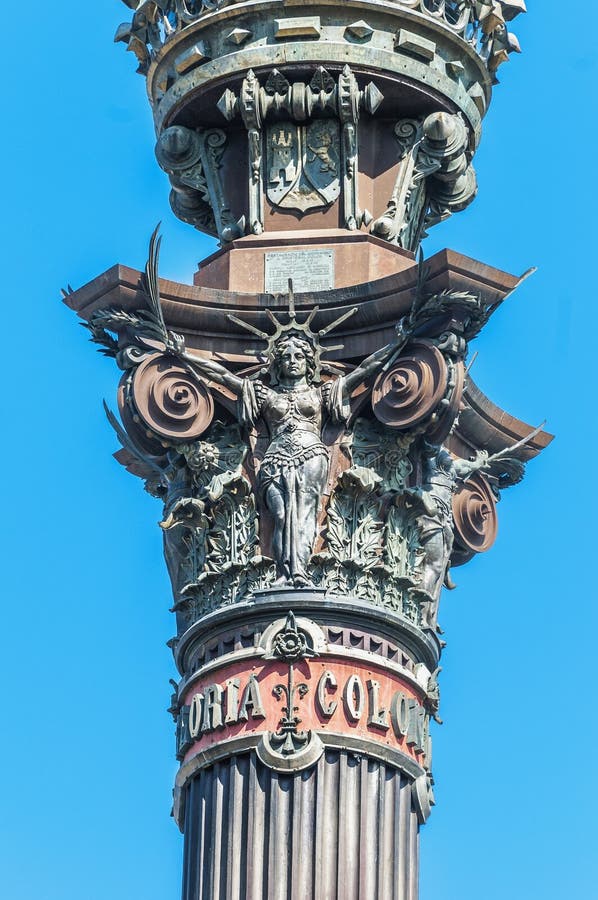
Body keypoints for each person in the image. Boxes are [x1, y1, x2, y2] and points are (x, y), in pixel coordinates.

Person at [168, 321, 410, 586]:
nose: (293, 361)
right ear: (277, 364)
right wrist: (184, 355)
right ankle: (284, 573)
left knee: (305, 512)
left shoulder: (322, 394)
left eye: (299, 356)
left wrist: (396, 344)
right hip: (274, 459)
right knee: (281, 516)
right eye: (286, 357)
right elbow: (224, 378)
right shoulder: (264, 395)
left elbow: (364, 370)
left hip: (311, 455)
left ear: (309, 362)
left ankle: (300, 572)